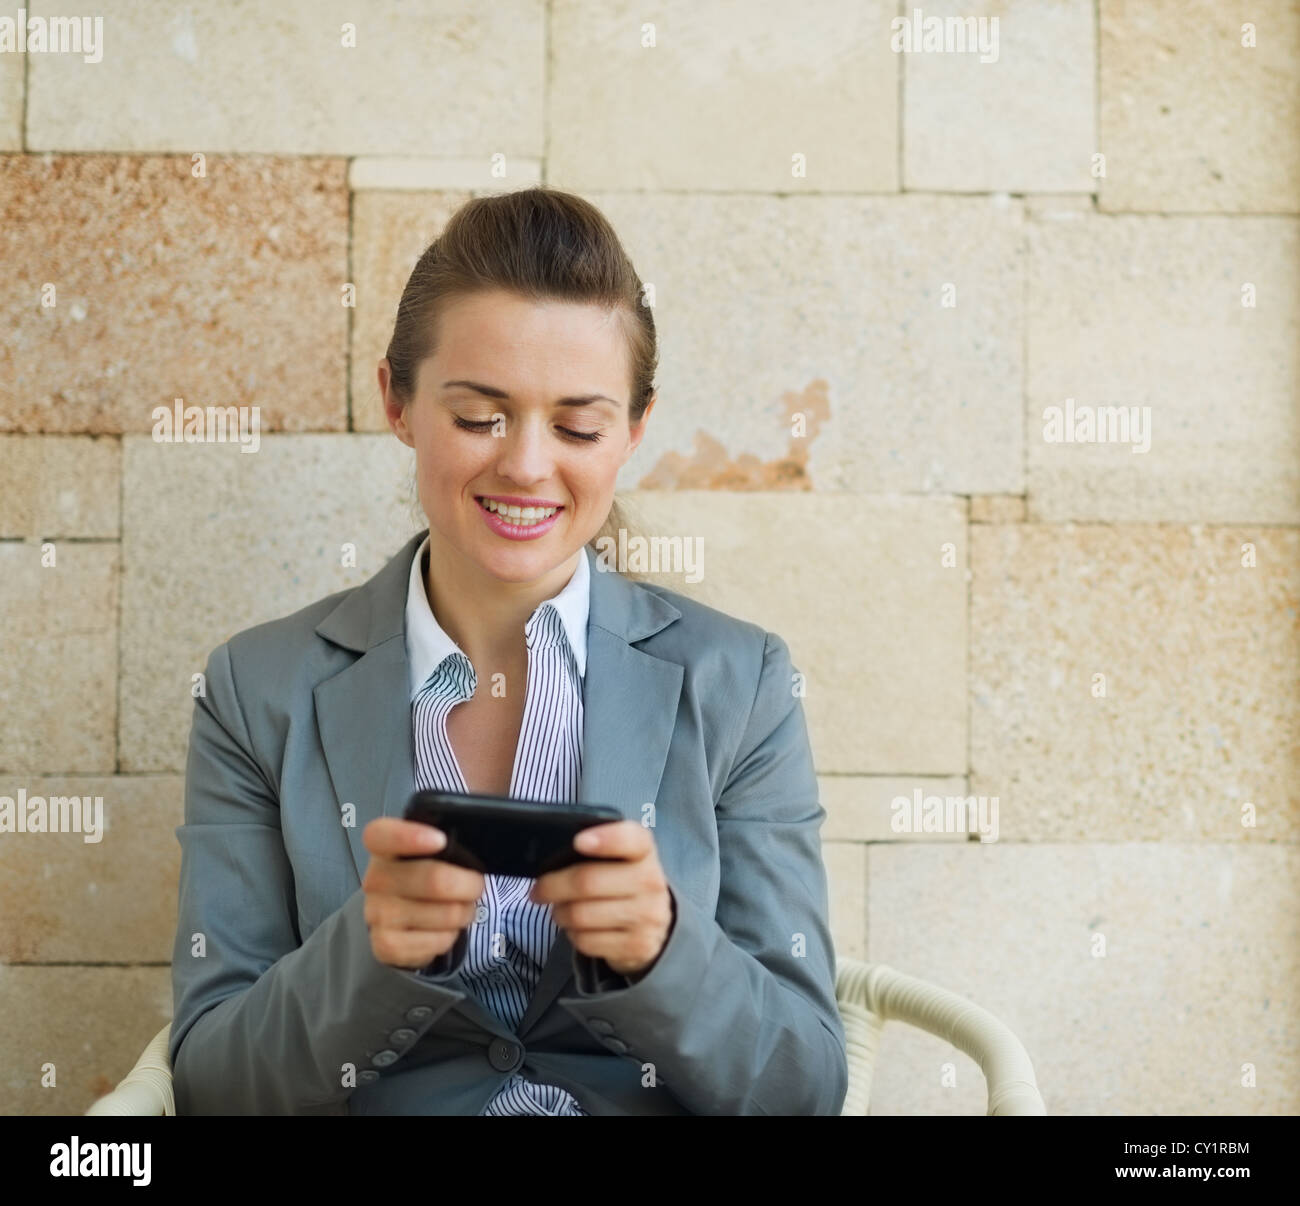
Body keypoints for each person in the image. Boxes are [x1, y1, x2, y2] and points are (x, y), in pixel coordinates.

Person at [168, 186, 848, 1115]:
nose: (527, 464)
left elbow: (802, 1085)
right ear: (397, 403)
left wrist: (664, 952)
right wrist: (367, 953)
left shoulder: (741, 685)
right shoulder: (259, 690)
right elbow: (213, 1083)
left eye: (578, 426)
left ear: (633, 433)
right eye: (481, 416)